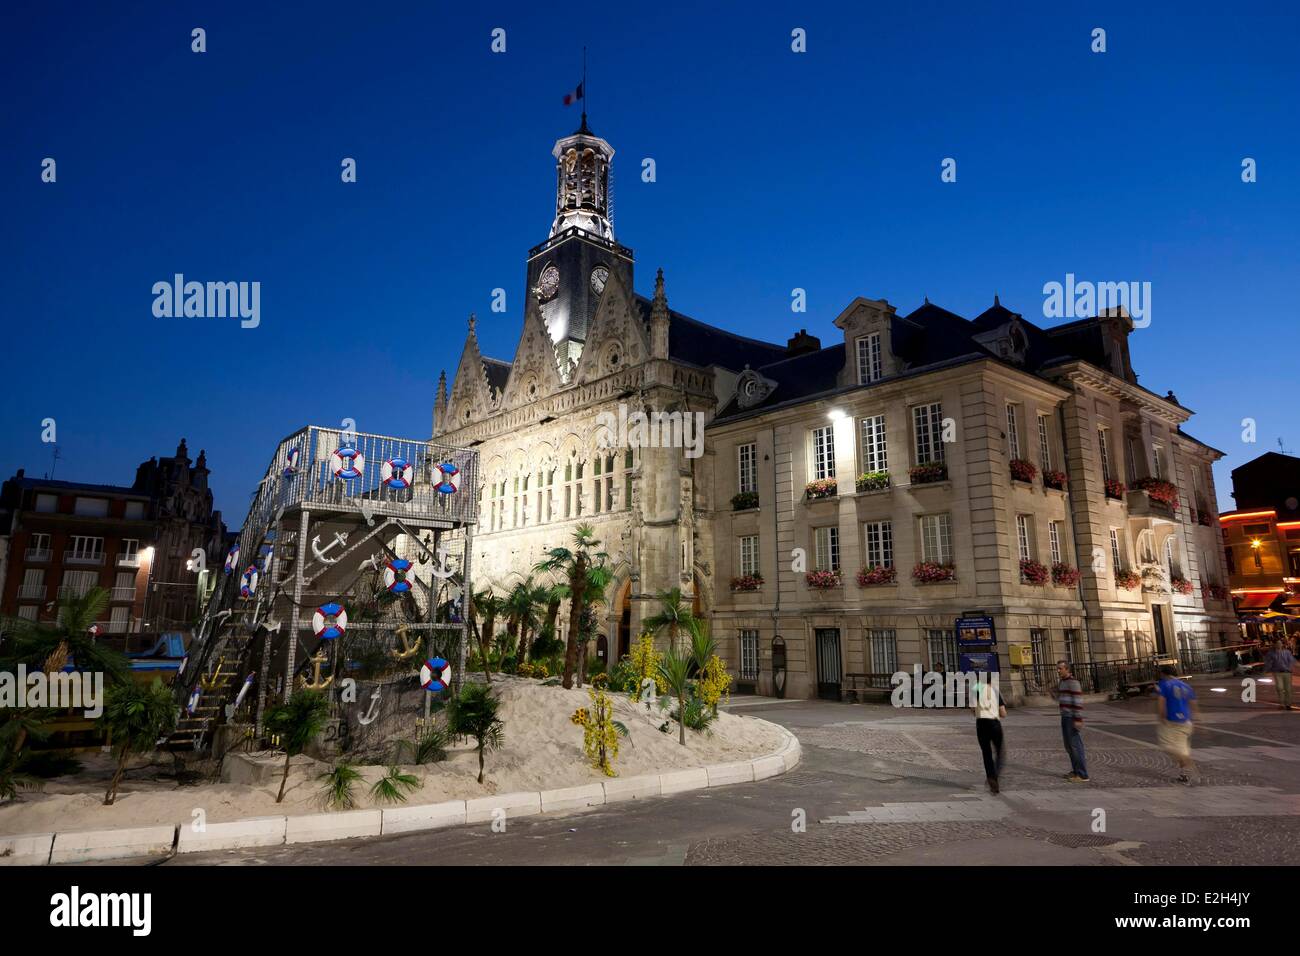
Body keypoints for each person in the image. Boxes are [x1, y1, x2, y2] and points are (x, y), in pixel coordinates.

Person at [1154, 664, 1198, 784]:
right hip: (1186, 721)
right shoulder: (1185, 685)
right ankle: (1183, 773)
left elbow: (1161, 702)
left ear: (1163, 674)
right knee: (1182, 746)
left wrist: (1161, 716)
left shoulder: (1165, 685)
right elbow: (1193, 703)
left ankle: (1188, 763)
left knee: (1166, 745)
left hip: (1171, 721)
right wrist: (1197, 719)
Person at [970, 676, 1006, 793]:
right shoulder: (995, 690)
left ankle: (990, 776)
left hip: (981, 723)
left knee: (986, 753)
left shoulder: (976, 688)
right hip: (994, 723)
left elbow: (972, 709)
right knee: (1000, 752)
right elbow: (1003, 713)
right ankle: (995, 776)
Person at [1056, 660, 1089, 781]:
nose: (1058, 671)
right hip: (1064, 716)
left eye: (1060, 668)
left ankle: (1082, 774)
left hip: (1071, 717)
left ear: (1067, 669)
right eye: (1058, 669)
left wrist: (1078, 718)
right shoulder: (1062, 682)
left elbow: (1078, 701)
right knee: (1069, 746)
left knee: (1075, 746)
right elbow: (1060, 698)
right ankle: (1075, 771)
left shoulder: (1073, 683)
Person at [1263, 638, 1296, 710]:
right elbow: (1268, 662)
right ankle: (1282, 703)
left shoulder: (1287, 652)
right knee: (1279, 687)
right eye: (1277, 643)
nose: (1279, 645)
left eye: (1280, 643)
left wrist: (1290, 668)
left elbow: (1292, 661)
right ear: (1275, 645)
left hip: (1287, 672)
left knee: (1288, 689)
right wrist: (1266, 670)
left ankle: (1288, 704)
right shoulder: (1271, 653)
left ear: (1282, 644)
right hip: (1277, 672)